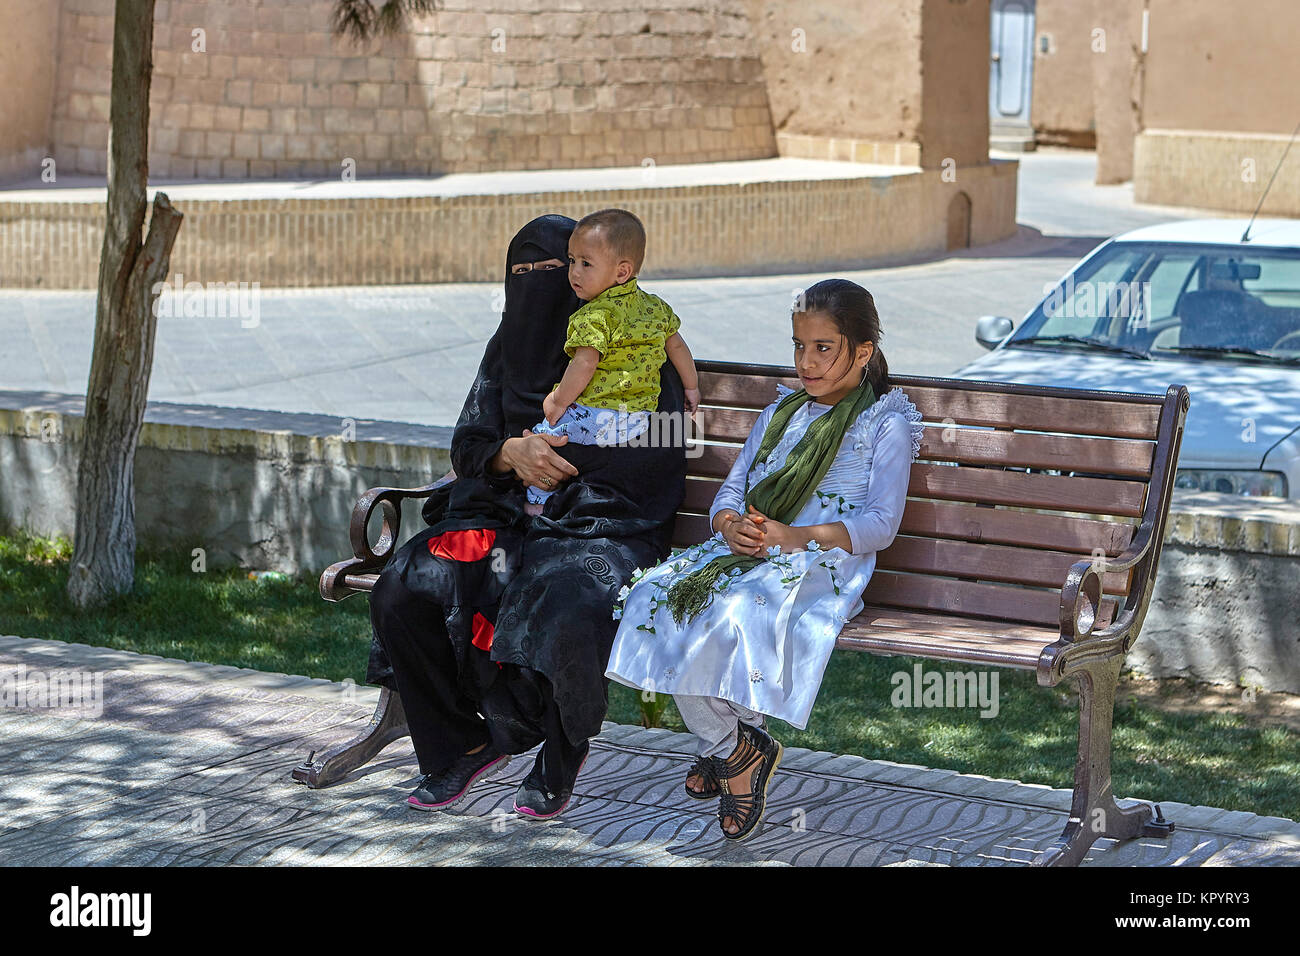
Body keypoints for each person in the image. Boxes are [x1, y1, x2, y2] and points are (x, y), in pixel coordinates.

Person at [366, 214, 687, 820]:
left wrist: (569, 465)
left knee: (566, 601)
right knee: (405, 586)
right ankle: (459, 741)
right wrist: (510, 454)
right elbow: (468, 446)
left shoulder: (629, 345)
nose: (541, 284)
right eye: (524, 273)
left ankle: (561, 753)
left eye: (556, 269)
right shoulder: (506, 346)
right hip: (503, 516)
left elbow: (664, 448)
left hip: (601, 525)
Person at [605, 278, 924, 841]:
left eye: (824, 347)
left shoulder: (884, 422)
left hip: (821, 561)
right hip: (755, 548)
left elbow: (880, 525)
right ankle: (736, 746)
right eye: (799, 345)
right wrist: (729, 525)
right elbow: (731, 490)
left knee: (738, 608)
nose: (807, 360)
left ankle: (729, 750)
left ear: (863, 351)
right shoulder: (783, 412)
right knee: (662, 596)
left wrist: (790, 536)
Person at [525, 208, 700, 511]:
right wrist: (692, 388)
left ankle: (536, 501)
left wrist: (558, 401)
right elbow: (678, 348)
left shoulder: (593, 315)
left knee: (543, 440)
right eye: (571, 261)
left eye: (586, 263)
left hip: (596, 415)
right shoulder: (656, 308)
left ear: (621, 272)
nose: (574, 272)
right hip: (637, 420)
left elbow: (584, 364)